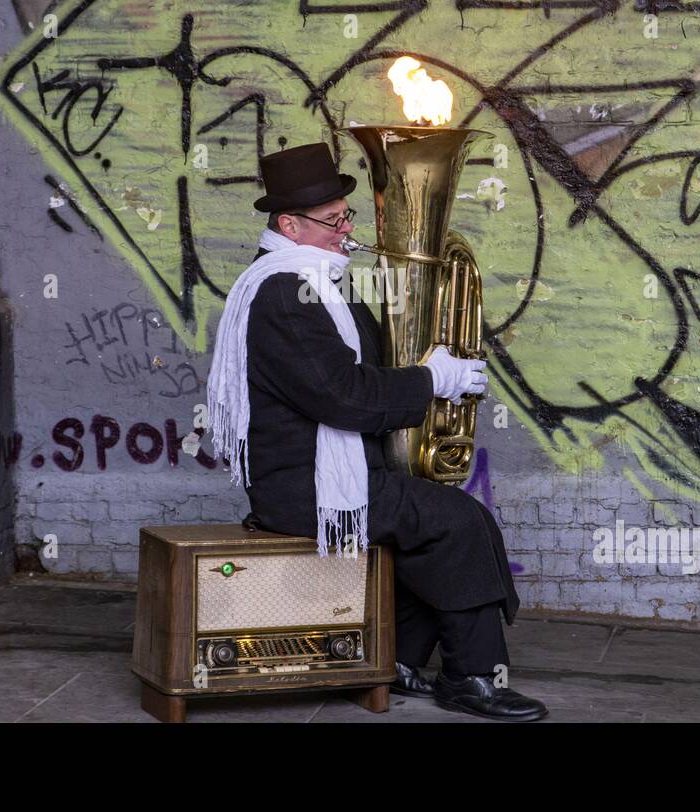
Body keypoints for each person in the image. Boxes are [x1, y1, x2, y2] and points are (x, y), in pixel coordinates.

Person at [207, 141, 547, 721]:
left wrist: (435, 359)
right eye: (333, 220)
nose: (347, 229)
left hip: (329, 471)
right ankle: (470, 678)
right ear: (289, 224)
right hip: (302, 487)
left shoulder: (319, 285)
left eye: (348, 216)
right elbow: (344, 397)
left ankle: (400, 660)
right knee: (459, 522)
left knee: (431, 521)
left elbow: (366, 370)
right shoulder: (287, 294)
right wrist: (430, 380)